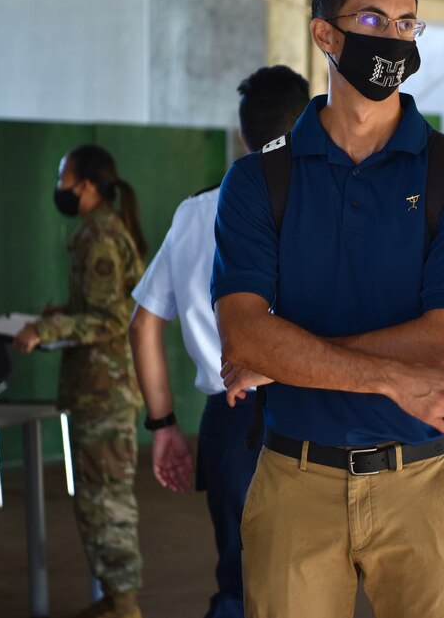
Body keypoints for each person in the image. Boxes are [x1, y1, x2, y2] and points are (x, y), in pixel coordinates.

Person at [212, 0, 444, 618]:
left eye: (407, 23)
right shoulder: (259, 181)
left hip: (422, 478)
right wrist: (395, 380)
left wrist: (286, 357)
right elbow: (245, 333)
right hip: (293, 481)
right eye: (373, 17)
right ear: (325, 34)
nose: (393, 38)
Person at [127, 65, 309, 618]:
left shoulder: (195, 211)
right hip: (314, 407)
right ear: (310, 123)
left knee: (239, 575)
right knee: (313, 575)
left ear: (242, 134)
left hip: (228, 419)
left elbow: (143, 324)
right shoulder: (324, 202)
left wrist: (163, 428)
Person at [13, 146, 148, 618]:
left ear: (87, 185)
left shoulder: (101, 236)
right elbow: (99, 309)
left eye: (63, 177)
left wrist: (46, 330)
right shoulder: (99, 231)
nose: (60, 187)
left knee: (107, 499)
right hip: (97, 390)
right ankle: (115, 598)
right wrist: (64, 315)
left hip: (106, 392)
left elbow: (114, 317)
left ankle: (124, 604)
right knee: (96, 497)